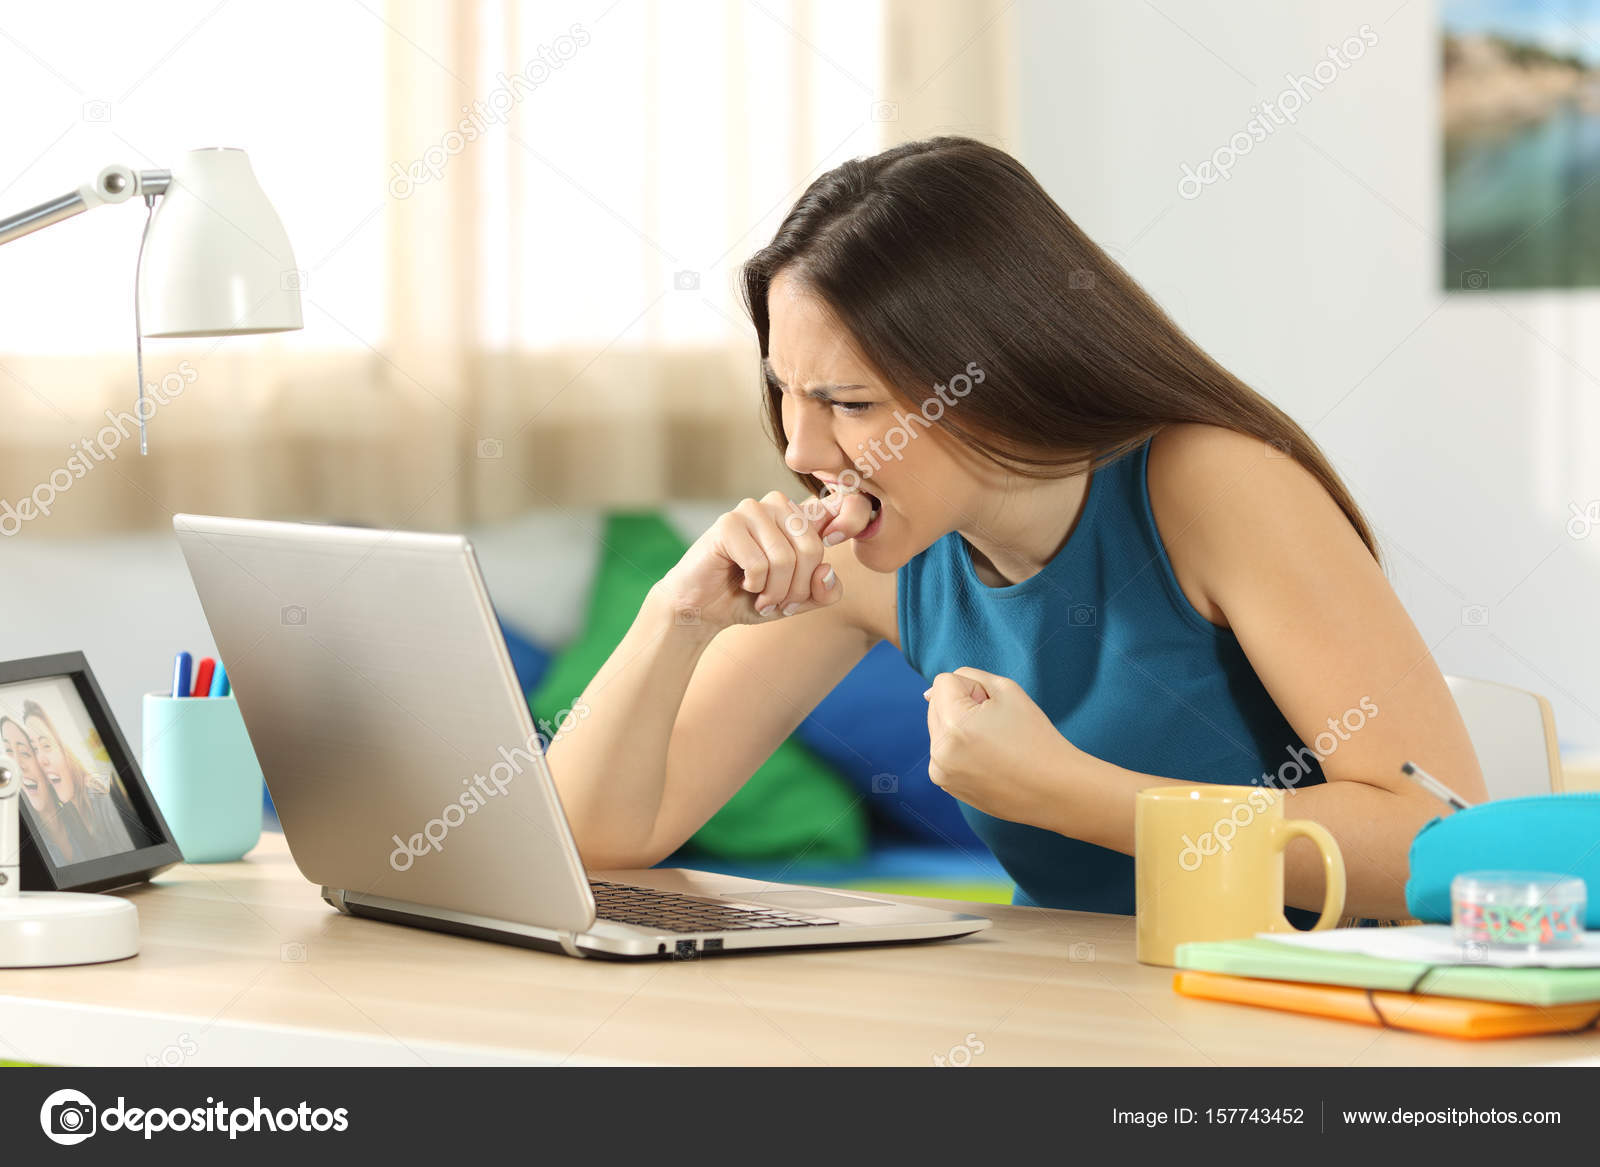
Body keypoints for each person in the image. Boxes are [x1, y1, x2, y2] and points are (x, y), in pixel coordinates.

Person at [543, 136, 1486, 924]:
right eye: (785, 394)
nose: (798, 446)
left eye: (851, 402)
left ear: (992, 378)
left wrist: (1071, 793)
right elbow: (595, 840)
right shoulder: (879, 560)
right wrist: (677, 616)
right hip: (1071, 1021)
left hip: (1297, 1028)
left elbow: (1437, 844)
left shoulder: (1213, 484)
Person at [22, 700, 136, 859]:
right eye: (34, 750)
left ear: (66, 749)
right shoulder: (68, 816)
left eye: (46, 745)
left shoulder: (102, 793)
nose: (41, 760)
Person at [1, 713, 86, 865]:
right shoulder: (11, 840)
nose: (17, 765)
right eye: (9, 751)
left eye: (25, 753)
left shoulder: (80, 819)